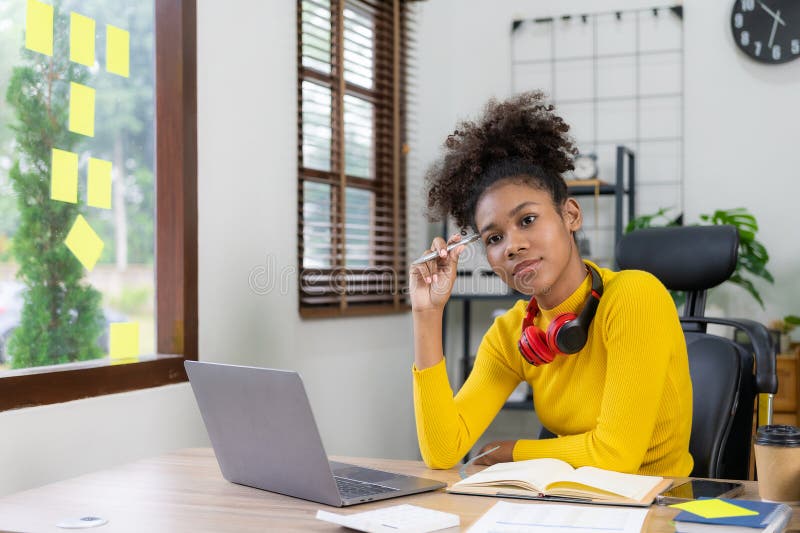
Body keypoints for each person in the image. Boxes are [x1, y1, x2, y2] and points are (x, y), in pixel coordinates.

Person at [409, 91, 693, 476]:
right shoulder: (511, 334)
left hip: (658, 508)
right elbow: (443, 451)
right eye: (494, 238)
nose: (513, 246)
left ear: (570, 215)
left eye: (527, 220)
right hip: (571, 505)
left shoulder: (634, 297)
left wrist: (510, 451)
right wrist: (427, 315)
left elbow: (616, 457)